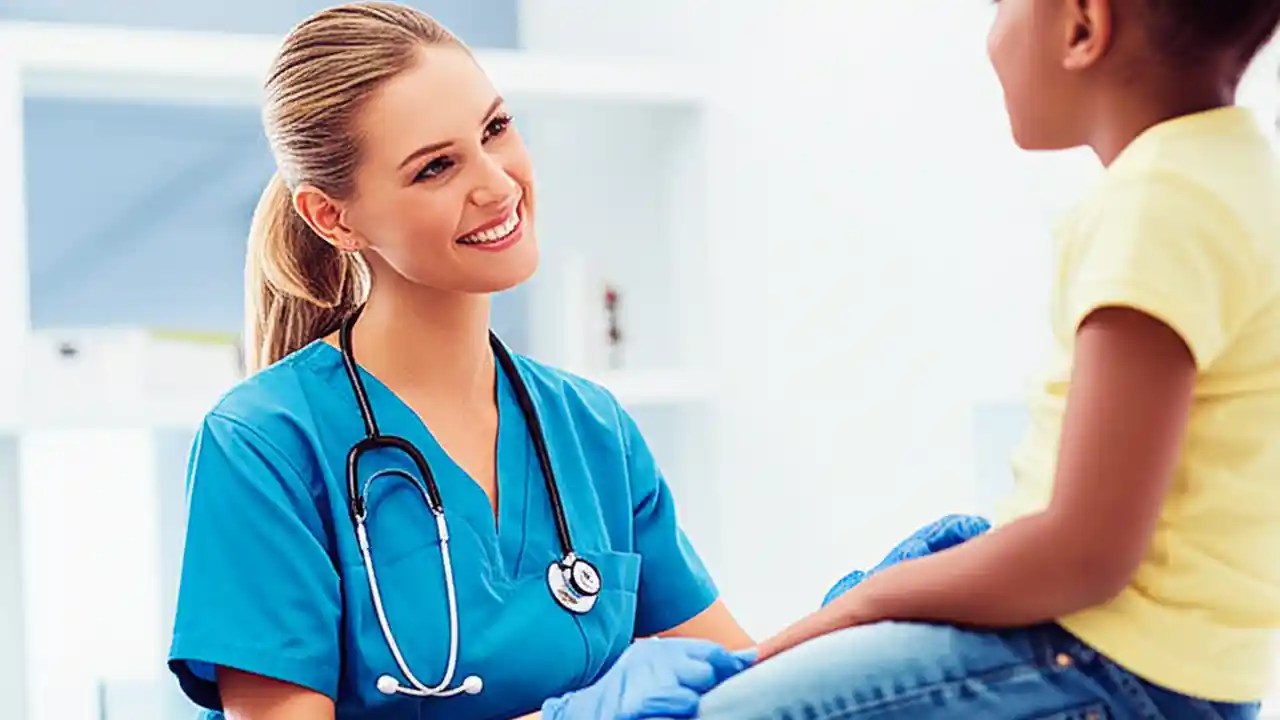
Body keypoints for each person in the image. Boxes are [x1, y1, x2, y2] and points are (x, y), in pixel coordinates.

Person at [163, 3, 761, 719]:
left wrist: (881, 609)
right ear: (334, 217)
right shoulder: (262, 443)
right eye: (437, 167)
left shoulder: (590, 429)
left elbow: (745, 686)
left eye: (496, 130)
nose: (499, 185)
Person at [699, 0, 1280, 718]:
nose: (992, 35)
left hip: (1109, 669)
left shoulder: (1159, 202)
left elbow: (1084, 553)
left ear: (1081, 28)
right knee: (941, 549)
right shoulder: (1236, 170)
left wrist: (864, 606)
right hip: (1178, 671)